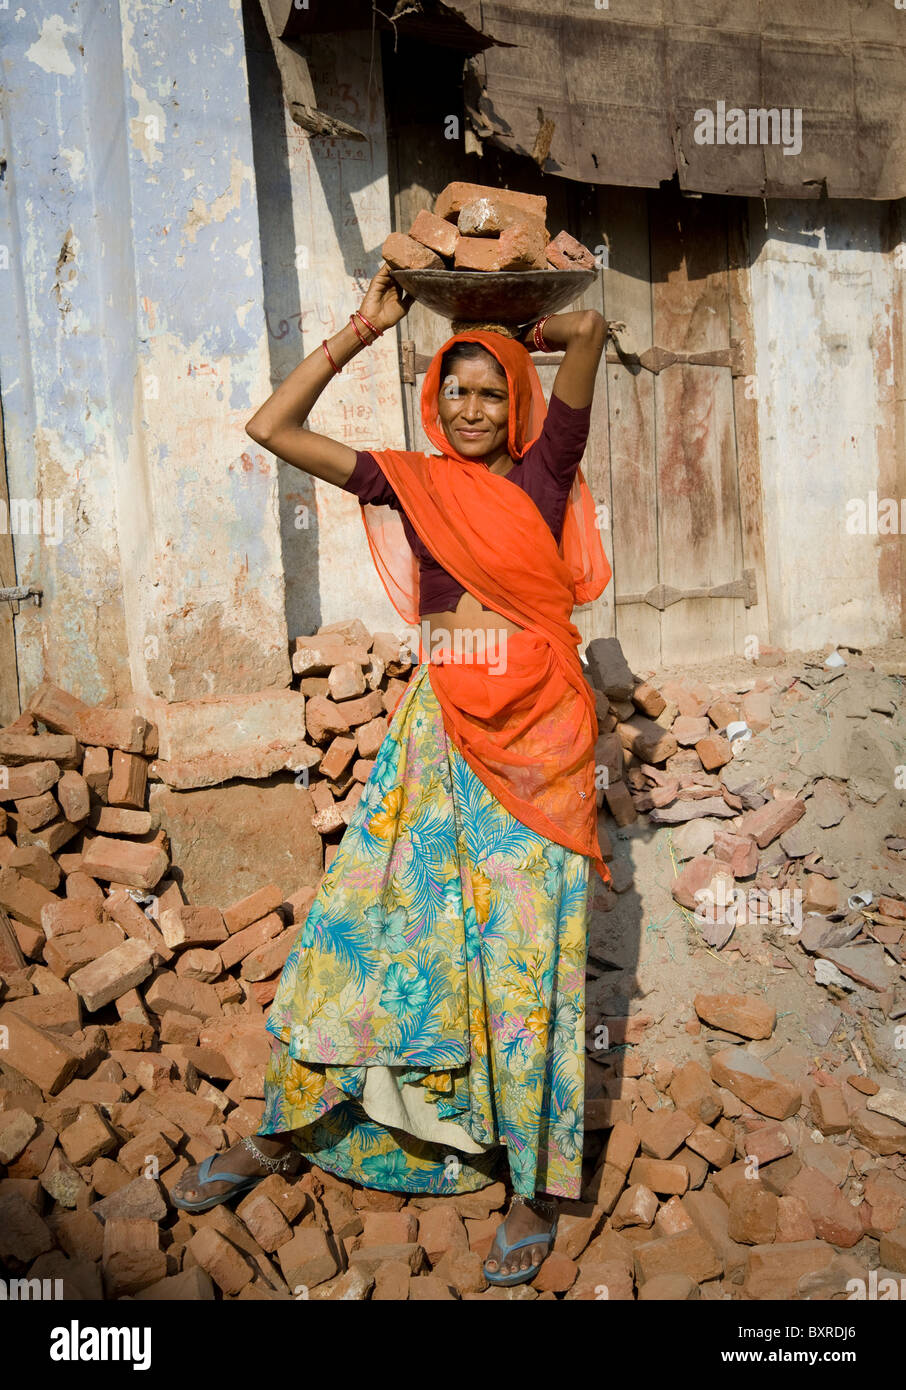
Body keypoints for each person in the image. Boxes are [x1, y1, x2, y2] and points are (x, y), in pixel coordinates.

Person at [172, 262, 612, 1287]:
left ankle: (531, 1185)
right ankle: (290, 1126)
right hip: (440, 733)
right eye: (453, 388)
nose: (468, 406)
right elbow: (270, 428)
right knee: (363, 928)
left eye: (489, 388)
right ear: (433, 399)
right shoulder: (410, 479)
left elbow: (592, 338)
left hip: (541, 745)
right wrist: (357, 330)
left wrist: (548, 327)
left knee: (522, 963)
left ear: (517, 404)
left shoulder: (545, 473)